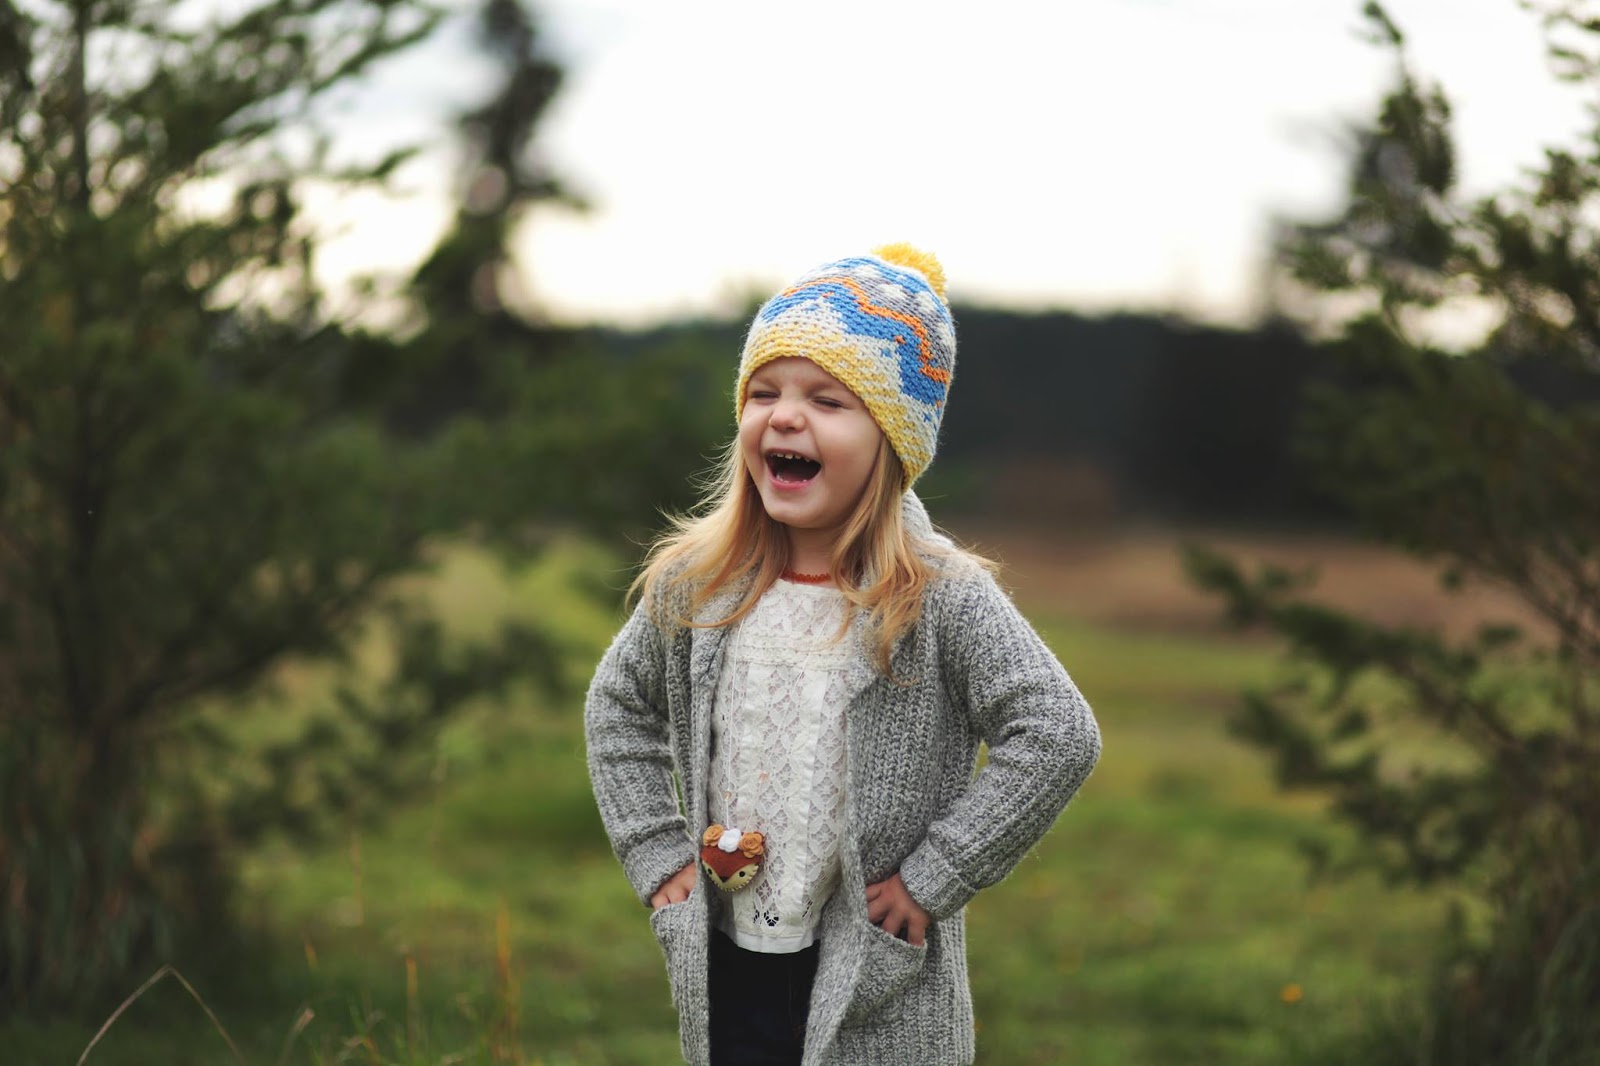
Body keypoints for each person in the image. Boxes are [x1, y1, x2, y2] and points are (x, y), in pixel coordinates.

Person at [584, 244, 1102, 1066]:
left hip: (872, 979)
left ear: (892, 440)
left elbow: (1058, 732)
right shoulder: (700, 582)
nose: (785, 417)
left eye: (828, 400)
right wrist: (654, 848)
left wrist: (938, 874)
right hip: (725, 960)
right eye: (764, 393)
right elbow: (618, 705)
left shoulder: (939, 596)